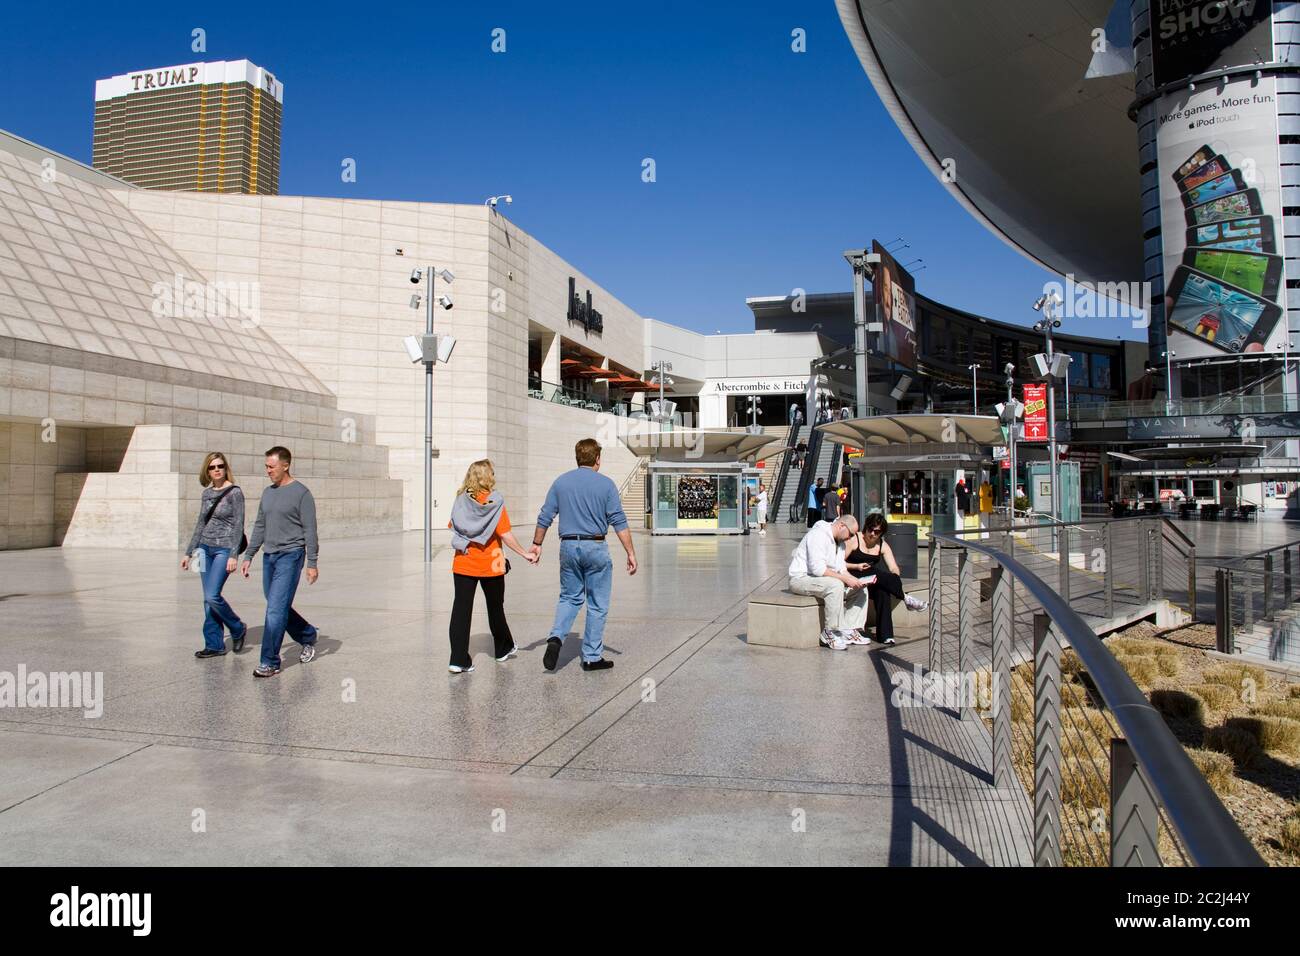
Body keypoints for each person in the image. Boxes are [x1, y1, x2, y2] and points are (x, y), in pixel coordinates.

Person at [531, 438, 638, 672]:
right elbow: (618, 521)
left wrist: (536, 544)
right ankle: (591, 656)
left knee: (569, 597)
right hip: (596, 546)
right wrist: (630, 552)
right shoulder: (606, 485)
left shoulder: (561, 482)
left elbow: (545, 516)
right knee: (597, 604)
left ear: (577, 458)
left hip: (568, 546)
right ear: (597, 459)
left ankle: (556, 637)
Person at [446, 459, 537, 674]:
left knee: (461, 610)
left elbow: (454, 526)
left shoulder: (461, 500)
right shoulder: (495, 502)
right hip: (492, 563)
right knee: (495, 608)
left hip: (463, 561)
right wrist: (525, 553)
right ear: (488, 476)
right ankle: (502, 648)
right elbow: (504, 534)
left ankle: (458, 659)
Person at [240, 446, 319, 678]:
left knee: (274, 609)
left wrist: (312, 562)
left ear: (285, 465)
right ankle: (307, 634)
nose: (268, 471)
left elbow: (310, 530)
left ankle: (270, 662)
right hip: (269, 556)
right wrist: (249, 555)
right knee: (277, 604)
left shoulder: (302, 493)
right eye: (266, 466)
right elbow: (260, 526)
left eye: (271, 467)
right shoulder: (268, 493)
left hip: (291, 555)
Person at [181, 452, 247, 658]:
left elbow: (239, 525)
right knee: (207, 599)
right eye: (212, 467)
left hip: (224, 549)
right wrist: (188, 552)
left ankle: (237, 627)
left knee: (212, 595)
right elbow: (201, 523)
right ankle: (214, 644)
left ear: (225, 468)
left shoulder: (235, 492)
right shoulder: (207, 494)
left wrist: (234, 555)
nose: (217, 470)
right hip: (204, 549)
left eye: (220, 466)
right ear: (207, 471)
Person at [788, 514, 870, 650]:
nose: (850, 538)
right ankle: (830, 632)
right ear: (841, 526)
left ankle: (849, 630)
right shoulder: (818, 535)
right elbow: (818, 569)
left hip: (822, 580)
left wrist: (856, 581)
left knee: (861, 589)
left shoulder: (841, 543)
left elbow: (842, 569)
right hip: (800, 579)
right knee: (836, 585)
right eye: (850, 534)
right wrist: (845, 579)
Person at [845, 513, 927, 647]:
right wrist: (856, 566)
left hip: (870, 580)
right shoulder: (855, 540)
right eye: (869, 529)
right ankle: (905, 598)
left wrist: (894, 577)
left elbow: (894, 567)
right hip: (850, 576)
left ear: (881, 533)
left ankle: (886, 636)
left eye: (876, 532)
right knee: (874, 572)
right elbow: (839, 563)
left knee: (883, 591)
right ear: (865, 528)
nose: (872, 534)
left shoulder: (882, 545)